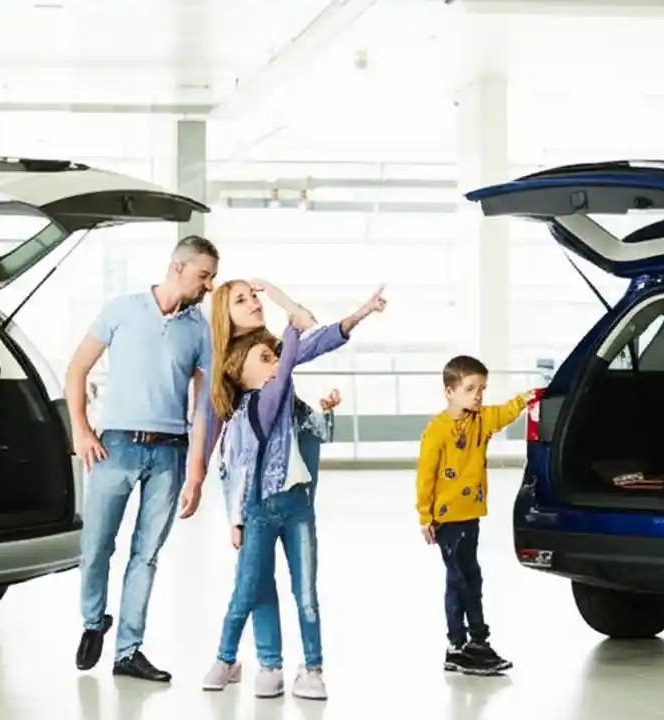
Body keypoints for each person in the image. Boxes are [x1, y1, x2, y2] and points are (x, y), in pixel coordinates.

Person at [205, 285, 387, 701]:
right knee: (255, 587)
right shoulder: (241, 381)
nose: (254, 303)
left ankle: (301, 667)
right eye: (242, 300)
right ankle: (259, 663)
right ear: (224, 317)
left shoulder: (270, 357)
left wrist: (356, 314)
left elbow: (308, 346)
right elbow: (230, 463)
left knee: (297, 590)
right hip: (257, 505)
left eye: (255, 297)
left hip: (295, 503)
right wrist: (230, 514)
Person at [65, 234, 220, 682]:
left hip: (169, 454)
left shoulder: (198, 329)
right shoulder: (122, 310)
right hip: (116, 446)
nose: (208, 286)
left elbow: (204, 402)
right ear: (178, 267)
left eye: (212, 278)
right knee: (96, 546)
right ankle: (94, 622)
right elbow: (78, 368)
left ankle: (128, 650)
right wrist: (80, 430)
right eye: (203, 275)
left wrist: (196, 473)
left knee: (146, 555)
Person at [416, 355, 534, 676]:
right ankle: (467, 643)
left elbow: (505, 412)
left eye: (482, 389)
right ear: (450, 391)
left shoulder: (481, 420)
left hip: (471, 515)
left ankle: (468, 644)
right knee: (460, 579)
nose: (478, 395)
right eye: (470, 389)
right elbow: (425, 475)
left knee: (468, 577)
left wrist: (526, 398)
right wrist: (425, 515)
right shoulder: (437, 431)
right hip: (447, 519)